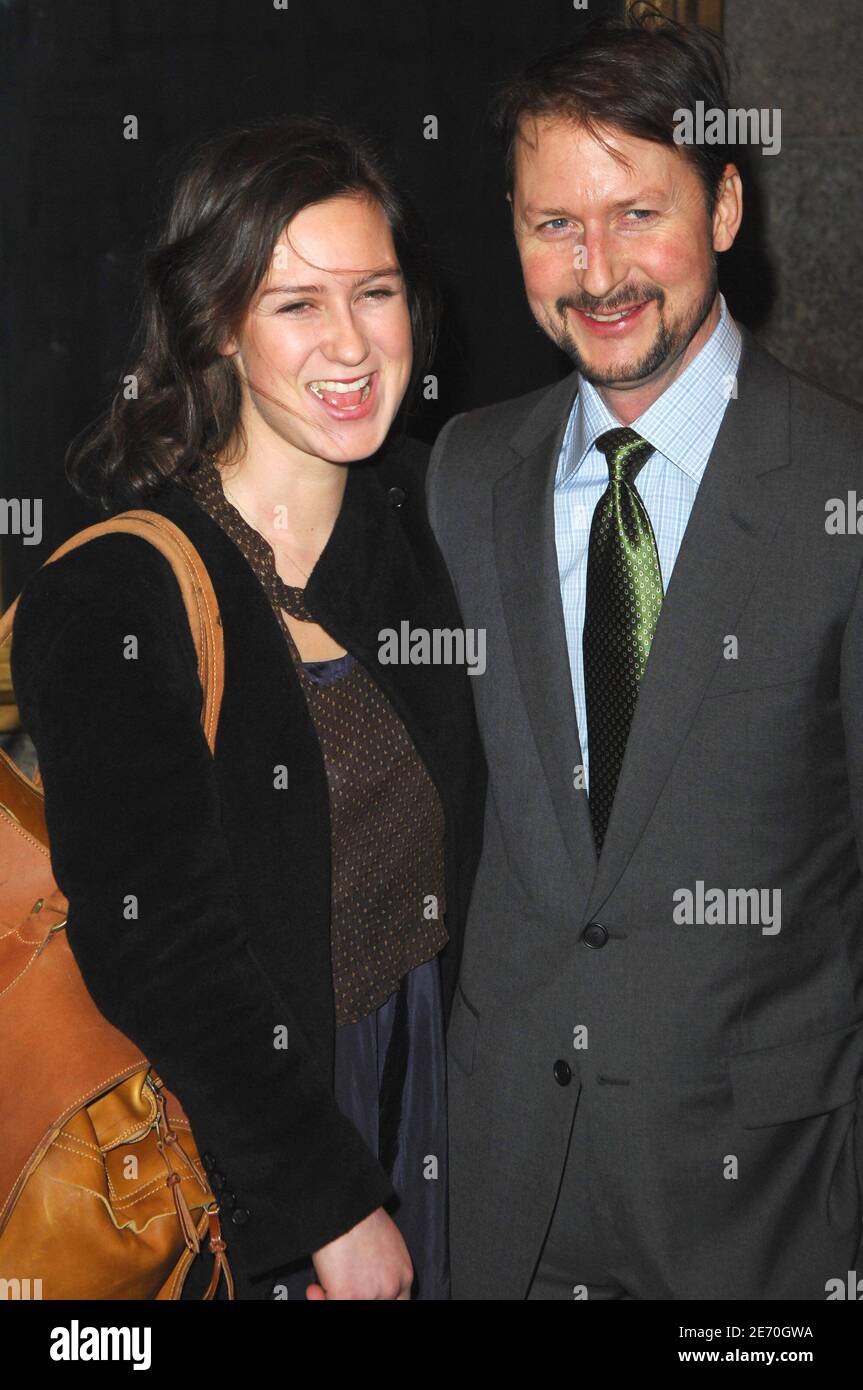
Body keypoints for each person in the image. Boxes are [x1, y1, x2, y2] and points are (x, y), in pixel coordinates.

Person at [11, 115, 486, 1301]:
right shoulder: (116, 588)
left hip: (439, 1093)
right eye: (296, 305)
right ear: (219, 326)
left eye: (373, 293)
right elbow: (157, 943)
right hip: (250, 1145)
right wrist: (323, 1206)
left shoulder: (438, 519)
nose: (351, 344)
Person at [427, 11, 863, 1300]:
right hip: (501, 1196)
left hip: (765, 1215)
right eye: (551, 223)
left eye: (636, 213)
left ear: (724, 206)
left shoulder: (842, 491)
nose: (596, 268)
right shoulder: (464, 475)